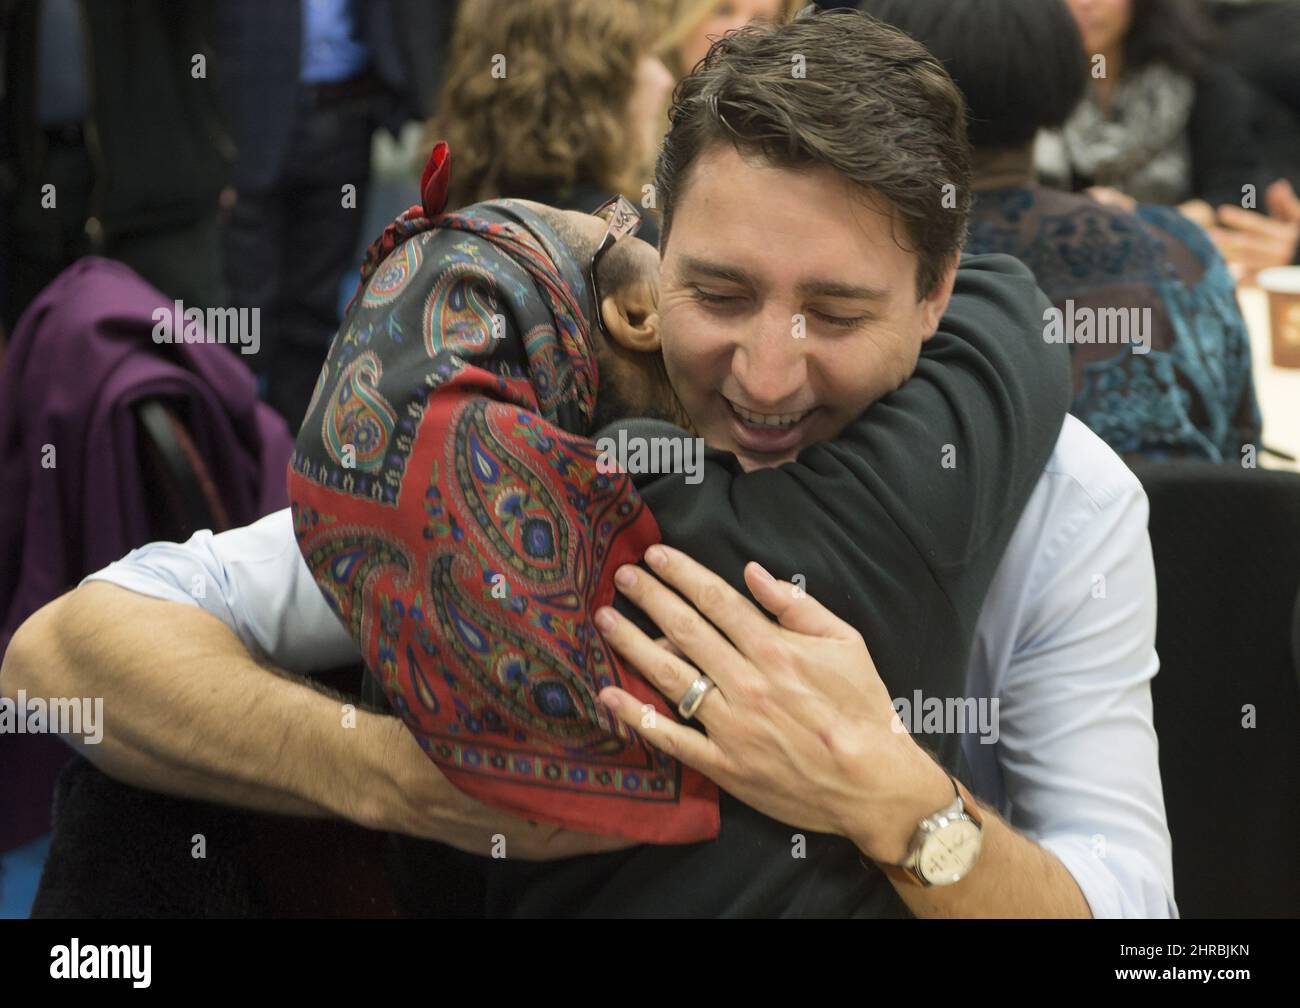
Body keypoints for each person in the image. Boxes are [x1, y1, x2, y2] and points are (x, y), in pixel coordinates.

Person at [4, 8, 1175, 917]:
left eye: (836, 311)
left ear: (935, 297)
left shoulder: (1064, 504)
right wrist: (393, 776)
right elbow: (58, 655)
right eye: (717, 294)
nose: (766, 375)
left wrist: (895, 800)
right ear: (649, 262)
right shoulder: (520, 453)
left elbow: (1135, 914)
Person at [861, 0, 1261, 462]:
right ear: (1065, 74)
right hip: (1197, 529)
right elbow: (1241, 447)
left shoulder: (876, 256)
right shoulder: (1181, 245)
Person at [213, 0, 451, 429]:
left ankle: (291, 465)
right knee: (243, 316)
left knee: (315, 312)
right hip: (246, 123)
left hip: (346, 115)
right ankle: (237, 459)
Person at [1038, 0, 1300, 275]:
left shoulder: (1197, 75)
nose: (1086, 4)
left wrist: (1144, 220)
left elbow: (1232, 194)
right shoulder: (1035, 83)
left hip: (1175, 271)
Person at [428, 0, 675, 247]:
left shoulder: (443, 222)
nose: (665, 78)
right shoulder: (621, 234)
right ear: (593, 81)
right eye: (647, 53)